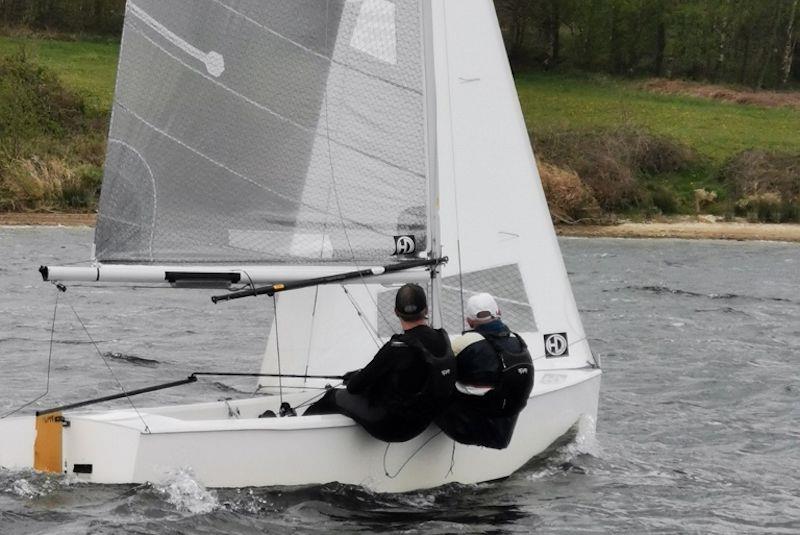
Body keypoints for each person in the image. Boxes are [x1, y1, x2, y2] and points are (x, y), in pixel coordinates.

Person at [303, 283, 455, 443]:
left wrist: (355, 377)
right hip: (423, 422)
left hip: (392, 427)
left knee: (331, 397)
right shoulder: (443, 339)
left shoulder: (396, 347)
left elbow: (354, 387)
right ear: (426, 310)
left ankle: (299, 436)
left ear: (396, 312)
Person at [435, 293, 534, 449]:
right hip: (505, 424)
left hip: (471, 428)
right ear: (499, 312)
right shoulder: (519, 341)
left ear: (469, 321)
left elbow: (439, 367)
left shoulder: (464, 343)